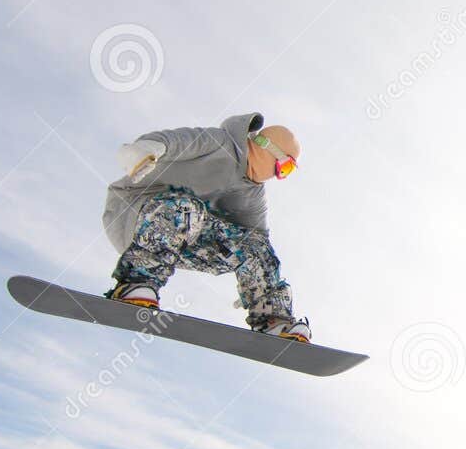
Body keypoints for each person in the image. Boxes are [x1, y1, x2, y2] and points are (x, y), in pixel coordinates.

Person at [101, 111, 311, 342]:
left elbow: (258, 243)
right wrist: (144, 150)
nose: (279, 176)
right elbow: (177, 141)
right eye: (285, 167)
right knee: (188, 207)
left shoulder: (252, 194)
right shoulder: (219, 143)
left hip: (180, 238)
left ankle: (273, 321)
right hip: (133, 214)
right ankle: (136, 282)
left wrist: (256, 284)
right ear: (264, 146)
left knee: (255, 245)